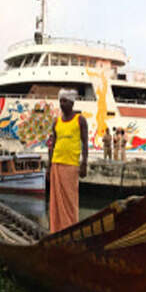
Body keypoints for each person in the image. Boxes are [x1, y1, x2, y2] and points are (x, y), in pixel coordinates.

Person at [47, 88, 88, 233]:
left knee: (70, 201)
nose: (61, 104)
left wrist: (84, 163)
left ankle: (71, 229)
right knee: (55, 202)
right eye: (60, 101)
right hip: (56, 164)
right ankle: (56, 230)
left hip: (71, 165)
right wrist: (48, 166)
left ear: (71, 103)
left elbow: (85, 142)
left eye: (64, 101)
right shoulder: (56, 122)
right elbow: (52, 145)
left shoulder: (80, 120)